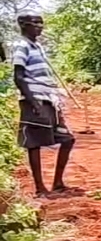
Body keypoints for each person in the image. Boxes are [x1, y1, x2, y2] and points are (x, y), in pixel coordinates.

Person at [11, 13, 76, 197]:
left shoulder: (37, 46)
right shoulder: (21, 46)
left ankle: (58, 183)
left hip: (48, 100)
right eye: (35, 23)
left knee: (67, 139)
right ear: (23, 25)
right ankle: (40, 189)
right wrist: (34, 102)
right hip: (34, 100)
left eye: (41, 23)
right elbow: (19, 77)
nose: (40, 26)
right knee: (34, 143)